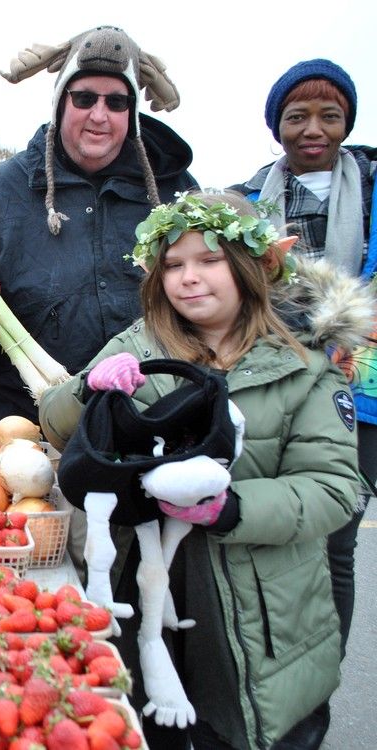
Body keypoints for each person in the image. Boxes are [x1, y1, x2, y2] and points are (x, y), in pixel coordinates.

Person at [39, 191, 367, 749]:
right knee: (151, 724)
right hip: (150, 598)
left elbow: (334, 489)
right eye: (172, 264)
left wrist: (233, 508)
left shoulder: (306, 366)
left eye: (208, 260)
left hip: (258, 613)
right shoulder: (140, 342)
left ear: (250, 265)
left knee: (243, 727)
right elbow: (55, 423)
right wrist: (86, 389)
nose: (188, 278)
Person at [0, 25, 196, 423]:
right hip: (31, 433)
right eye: (84, 98)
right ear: (61, 102)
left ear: (131, 112)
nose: (99, 115)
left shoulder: (175, 191)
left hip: (161, 417)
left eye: (116, 102)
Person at [231, 59, 376, 748]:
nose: (313, 129)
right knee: (281, 542)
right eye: (297, 116)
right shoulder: (248, 197)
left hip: (363, 396)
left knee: (337, 541)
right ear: (276, 127)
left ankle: (317, 680)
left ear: (347, 120)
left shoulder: (373, 189)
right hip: (276, 387)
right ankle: (265, 681)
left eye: (328, 114)